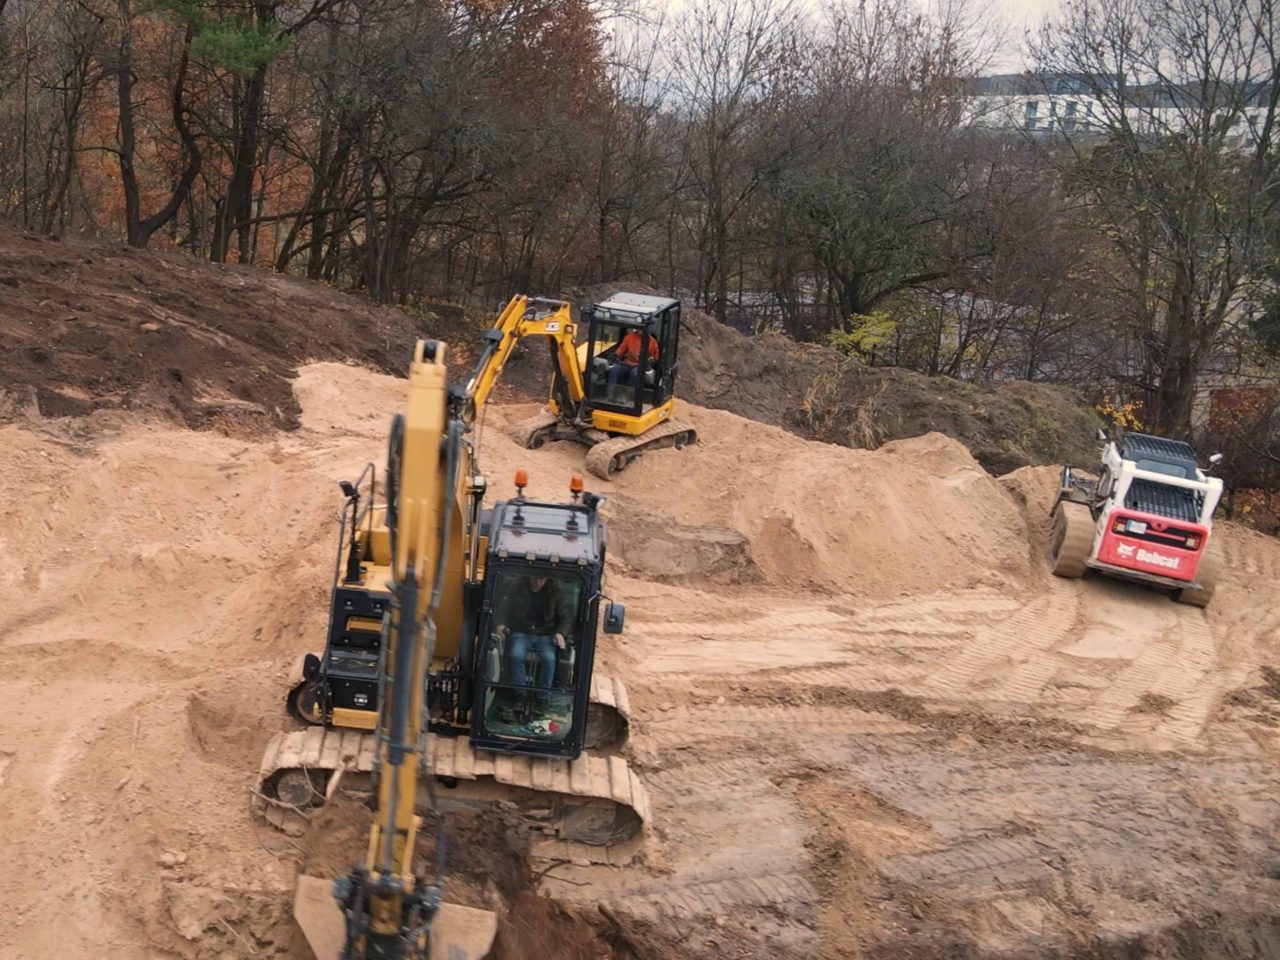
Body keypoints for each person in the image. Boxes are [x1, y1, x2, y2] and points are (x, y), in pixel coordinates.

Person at [493, 574, 573, 701]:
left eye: (541, 578)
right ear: (528, 576)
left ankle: (543, 696)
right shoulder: (516, 588)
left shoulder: (555, 593)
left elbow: (565, 617)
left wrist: (560, 633)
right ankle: (521, 693)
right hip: (521, 632)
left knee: (549, 659)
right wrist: (500, 624)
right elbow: (503, 608)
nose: (537, 582)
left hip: (546, 634)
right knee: (515, 655)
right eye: (534, 578)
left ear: (547, 579)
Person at [607, 327, 659, 394]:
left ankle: (630, 395)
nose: (640, 330)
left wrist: (650, 361)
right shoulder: (629, 337)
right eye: (639, 328)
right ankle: (610, 392)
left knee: (635, 374)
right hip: (626, 363)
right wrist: (615, 355)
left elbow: (655, 356)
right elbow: (621, 349)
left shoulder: (652, 342)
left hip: (640, 365)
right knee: (615, 369)